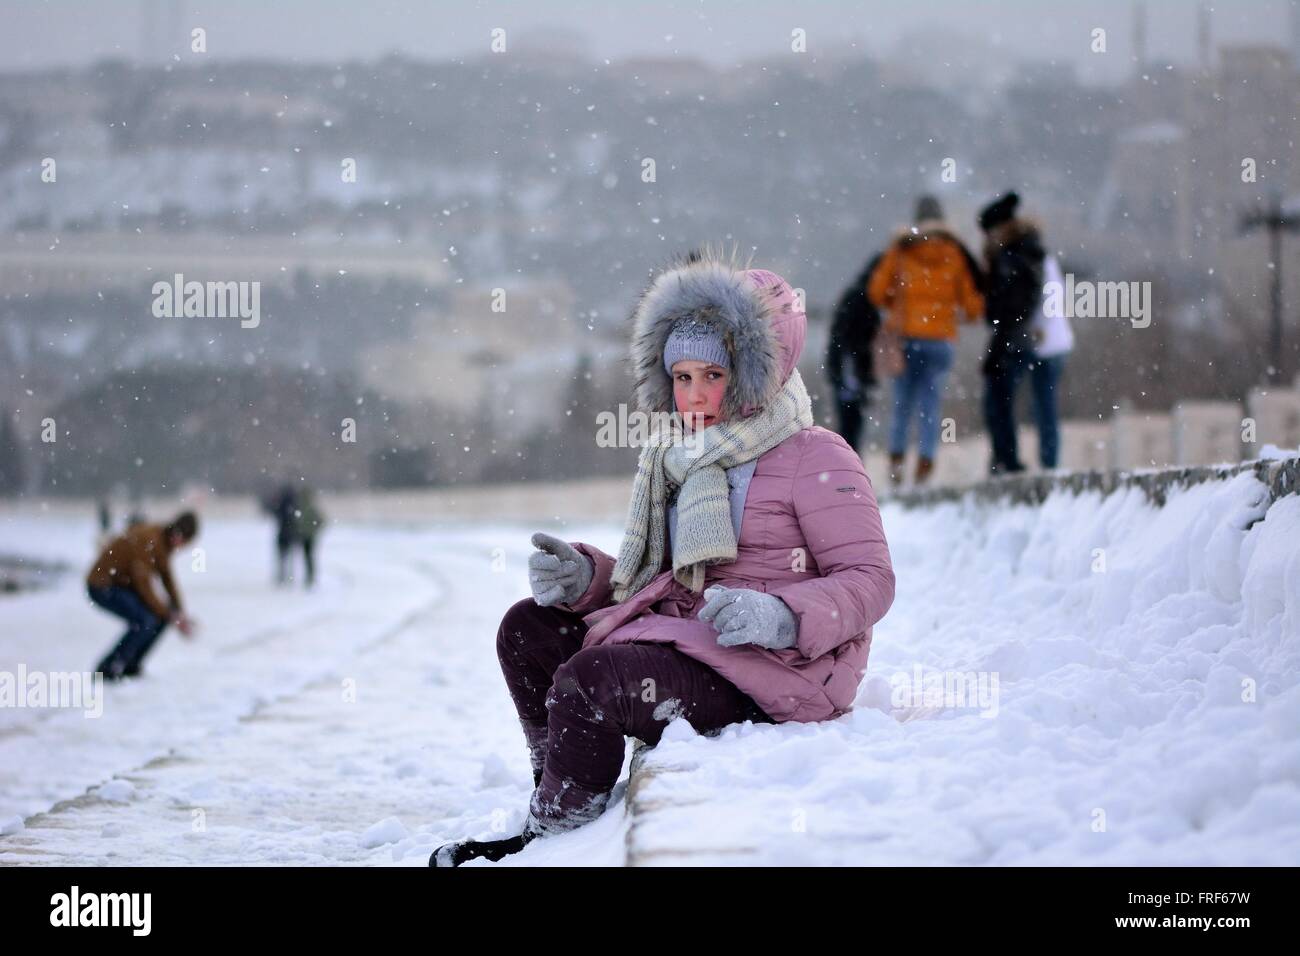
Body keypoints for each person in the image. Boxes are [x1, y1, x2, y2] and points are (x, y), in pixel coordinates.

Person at [430, 247, 896, 866]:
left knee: (592, 681)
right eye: (682, 378)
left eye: (714, 375)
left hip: (774, 671)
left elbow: (871, 580)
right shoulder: (681, 456)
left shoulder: (817, 456)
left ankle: (552, 842)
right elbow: (662, 581)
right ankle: (557, 798)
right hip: (691, 641)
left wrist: (781, 614)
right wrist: (588, 579)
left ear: (756, 372)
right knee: (528, 630)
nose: (695, 395)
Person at [868, 195, 984, 488]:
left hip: (907, 338)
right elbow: (973, 307)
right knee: (930, 403)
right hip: (941, 340)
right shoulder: (955, 252)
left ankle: (896, 461)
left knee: (902, 403)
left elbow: (876, 292)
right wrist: (949, 314)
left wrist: (897, 303)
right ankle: (926, 461)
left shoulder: (902, 249)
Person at [977, 192, 1046, 476]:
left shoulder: (1012, 256)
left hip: (1012, 337)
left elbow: (1010, 303)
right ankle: (1004, 459)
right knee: (999, 401)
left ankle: (1007, 460)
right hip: (1015, 335)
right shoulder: (1024, 251)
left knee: (998, 402)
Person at [87, 511, 199, 681]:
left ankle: (131, 666)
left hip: (123, 584)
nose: (180, 546)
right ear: (176, 533)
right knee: (145, 620)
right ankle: (107, 669)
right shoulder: (149, 538)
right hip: (103, 584)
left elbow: (167, 577)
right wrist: (170, 613)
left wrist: (178, 610)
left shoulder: (164, 542)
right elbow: (143, 584)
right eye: (182, 540)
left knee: (158, 619)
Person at [826, 254, 884, 453]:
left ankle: (847, 468)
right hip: (849, 369)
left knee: (849, 424)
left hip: (847, 369)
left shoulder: (858, 295)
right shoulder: (864, 299)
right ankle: (849, 467)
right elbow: (847, 339)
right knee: (851, 424)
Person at [1028, 252, 1073, 470]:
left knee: (1044, 404)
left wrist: (1039, 327)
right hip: (1057, 342)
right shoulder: (1046, 260)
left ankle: (1049, 461)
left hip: (1046, 345)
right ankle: (1049, 460)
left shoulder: (1036, 261)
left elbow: (1051, 298)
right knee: (1045, 403)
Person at [291, 486, 326, 588]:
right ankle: (310, 577)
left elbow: (320, 521)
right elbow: (320, 521)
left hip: (306, 536)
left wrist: (309, 530)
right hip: (307, 536)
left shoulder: (303, 508)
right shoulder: (307, 508)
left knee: (307, 557)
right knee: (308, 557)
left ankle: (309, 577)